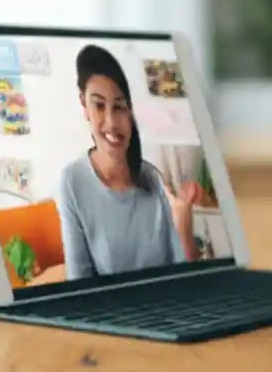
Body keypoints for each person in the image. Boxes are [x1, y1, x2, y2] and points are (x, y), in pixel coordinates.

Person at [58, 45, 200, 278]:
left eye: (120, 107)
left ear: (132, 112)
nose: (111, 122)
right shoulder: (72, 181)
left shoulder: (155, 180)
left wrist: (182, 220)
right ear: (84, 104)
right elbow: (79, 284)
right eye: (99, 105)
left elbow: (190, 282)